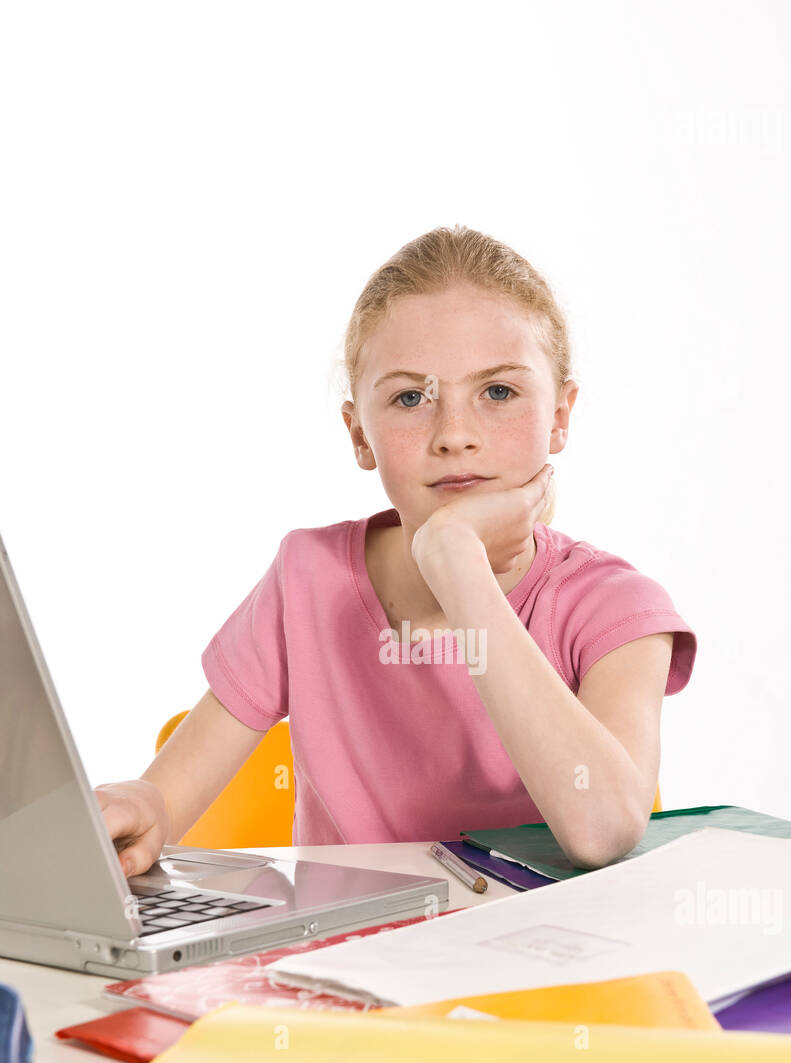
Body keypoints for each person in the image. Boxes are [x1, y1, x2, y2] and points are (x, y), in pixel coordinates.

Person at [95, 224, 696, 875]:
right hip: (346, 962)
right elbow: (164, 798)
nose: (455, 434)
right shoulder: (308, 579)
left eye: (498, 392)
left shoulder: (615, 609)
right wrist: (140, 803)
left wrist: (457, 564)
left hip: (539, 967)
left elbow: (602, 827)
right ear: (359, 435)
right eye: (411, 398)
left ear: (560, 416)